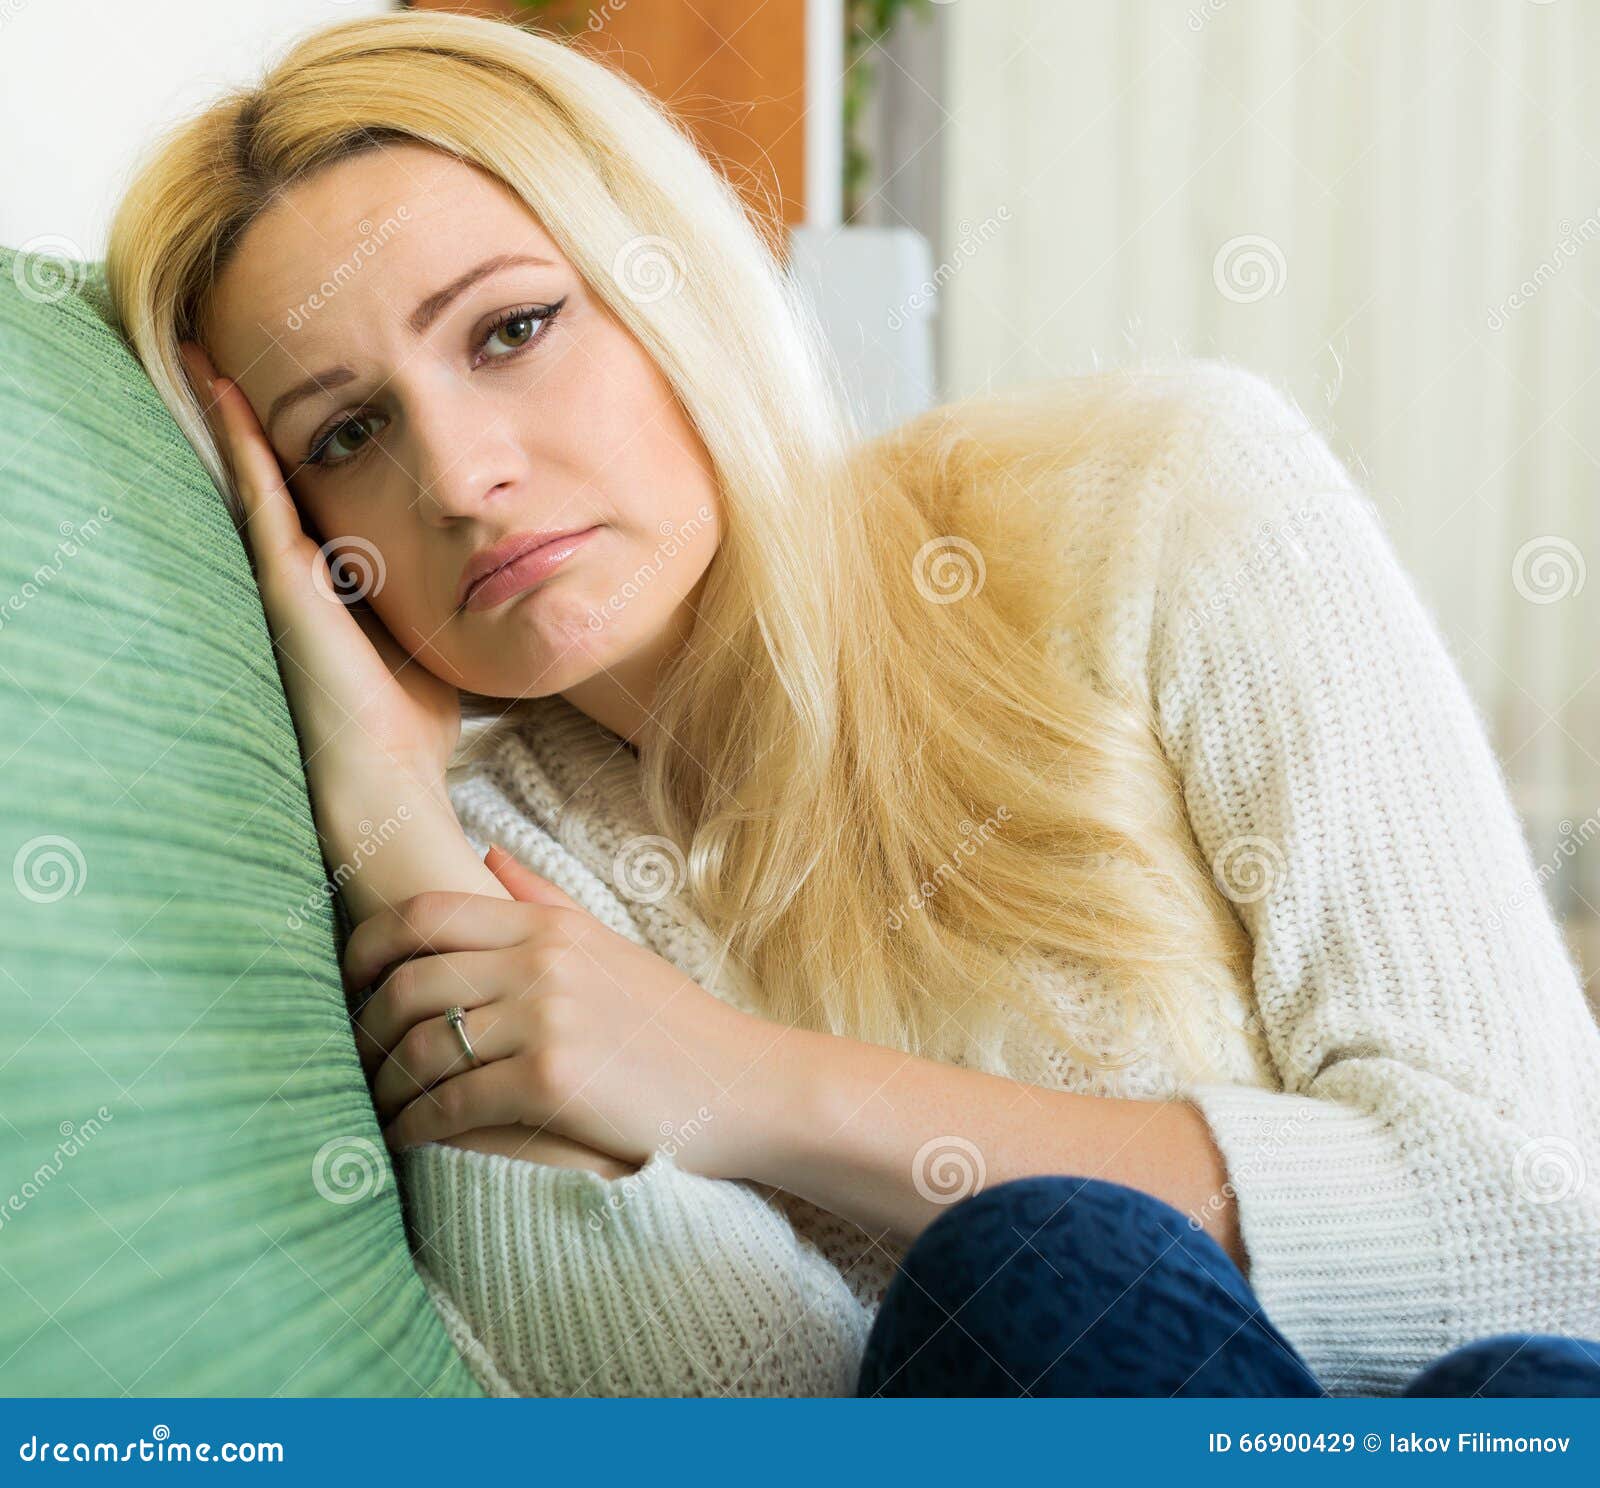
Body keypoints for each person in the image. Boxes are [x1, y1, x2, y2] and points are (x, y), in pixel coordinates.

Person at [104, 10, 1600, 1397]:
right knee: (1033, 1288)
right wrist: (397, 831)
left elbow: (1539, 1242)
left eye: (510, 331)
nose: (456, 478)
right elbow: (741, 1425)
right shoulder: (499, 870)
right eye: (349, 431)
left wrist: (733, 1081)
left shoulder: (1166, 500)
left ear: (666, 278)